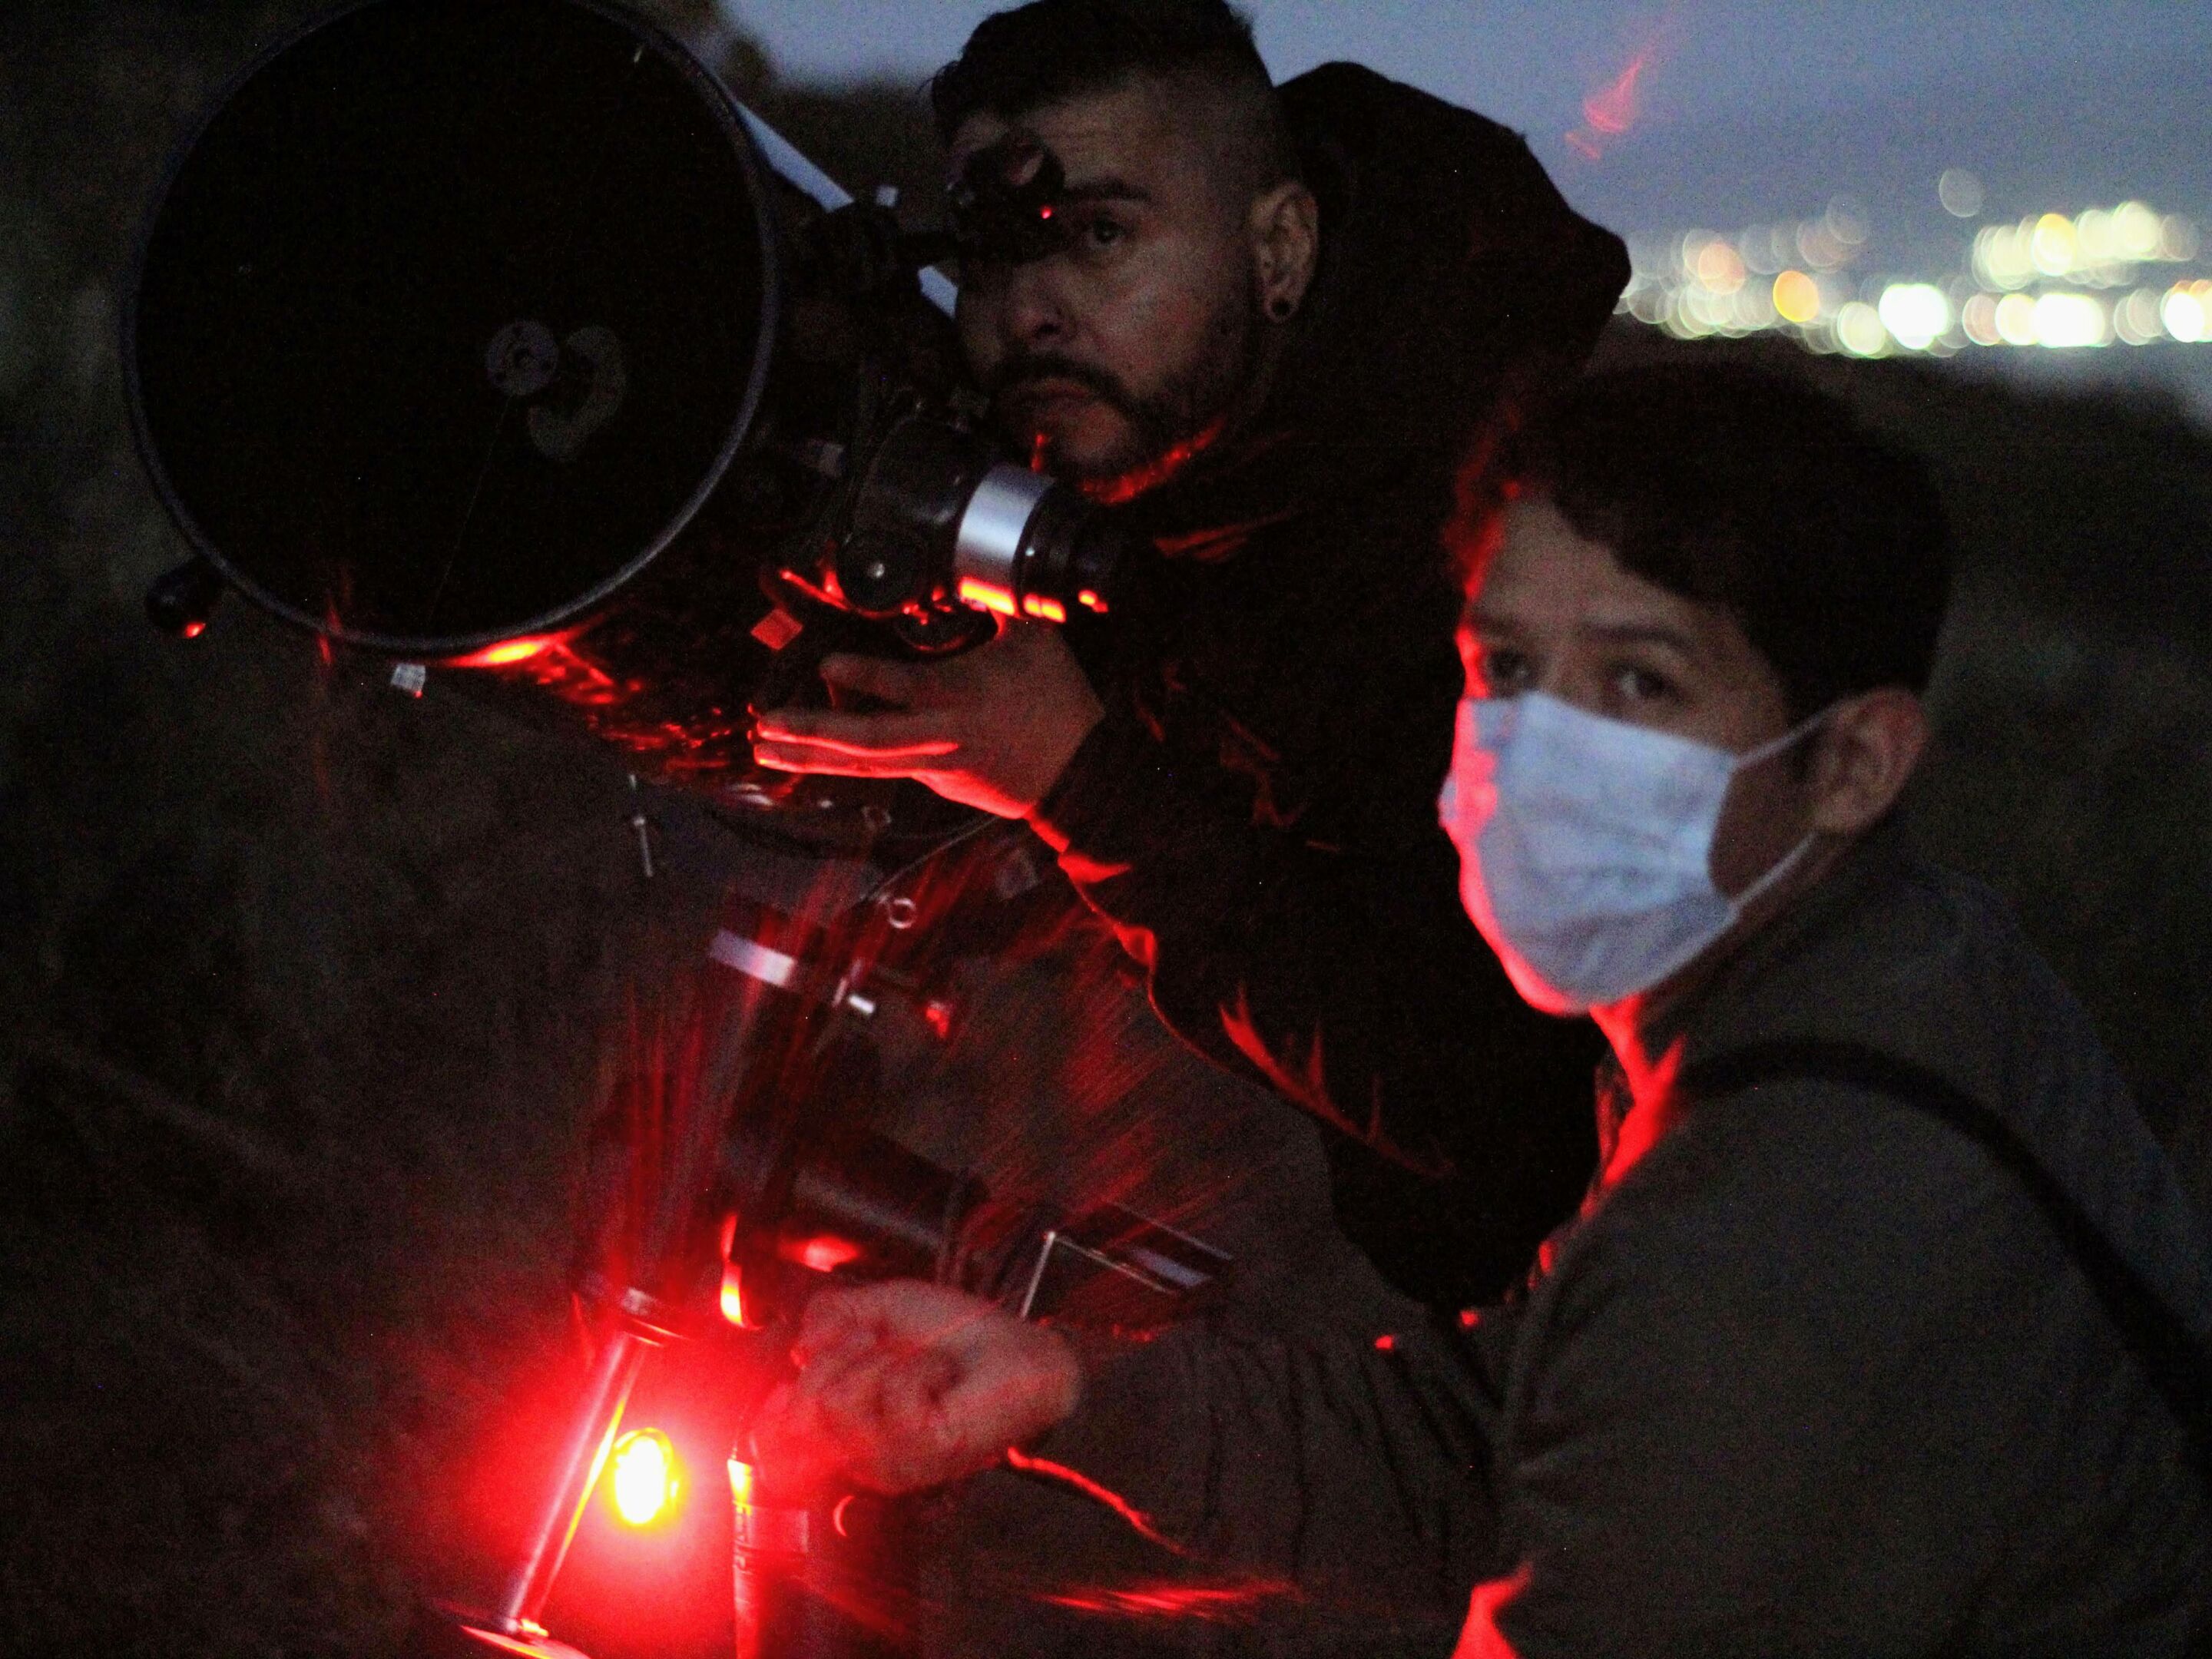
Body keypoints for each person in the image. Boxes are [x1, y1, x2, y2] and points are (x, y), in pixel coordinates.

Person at [748, 363, 2212, 1655]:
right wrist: (1066, 1388)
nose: (1545, 745)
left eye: (1641, 682)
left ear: (1853, 764)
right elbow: (1493, 1443)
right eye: (1508, 666)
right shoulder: (1872, 975)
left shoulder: (1781, 1224)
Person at [751, 0, 1630, 1312]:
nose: (1030, 311)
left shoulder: (1521, 556)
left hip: (1543, 1333)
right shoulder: (1142, 470)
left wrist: (1080, 781)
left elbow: (1501, 1106)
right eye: (992, 257)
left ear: (1281, 248)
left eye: (1102, 237)